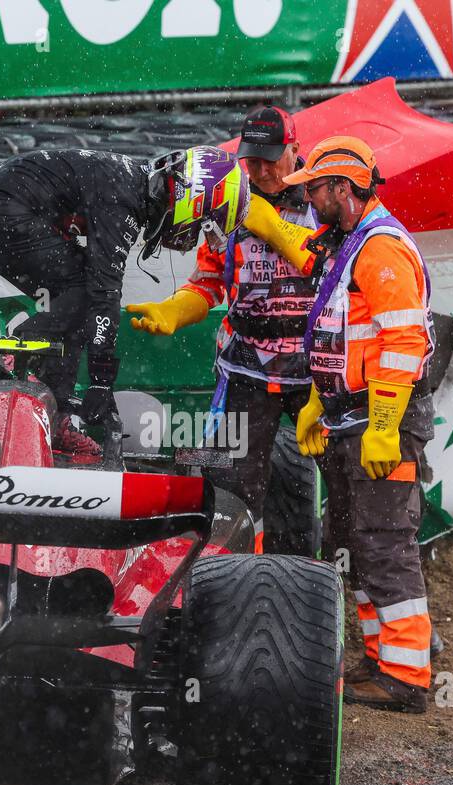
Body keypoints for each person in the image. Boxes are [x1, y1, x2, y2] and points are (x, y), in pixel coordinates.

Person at [244, 136, 437, 712]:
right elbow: (339, 335)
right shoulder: (349, 246)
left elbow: (405, 342)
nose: (309, 199)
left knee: (384, 543)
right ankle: (382, 661)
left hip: (383, 423)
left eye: (317, 190)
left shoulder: (380, 249)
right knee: (352, 540)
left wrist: (382, 424)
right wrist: (319, 403)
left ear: (343, 190)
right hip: (349, 419)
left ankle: (406, 677)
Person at [0, 146, 247, 462]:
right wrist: (101, 380)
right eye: (201, 226)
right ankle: (17, 354)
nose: (191, 238)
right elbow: (105, 292)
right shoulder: (123, 198)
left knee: (77, 298)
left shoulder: (129, 186)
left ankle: (57, 414)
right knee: (87, 291)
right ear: (192, 201)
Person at [127, 107, 319, 551]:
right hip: (246, 364)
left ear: (294, 148)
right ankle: (234, 577)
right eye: (253, 158)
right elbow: (208, 282)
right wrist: (175, 310)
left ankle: (309, 581)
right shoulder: (230, 199)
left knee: (343, 480)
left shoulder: (322, 198)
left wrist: (272, 228)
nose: (262, 169)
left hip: (316, 369)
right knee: (230, 484)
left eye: (272, 157)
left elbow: (330, 266)